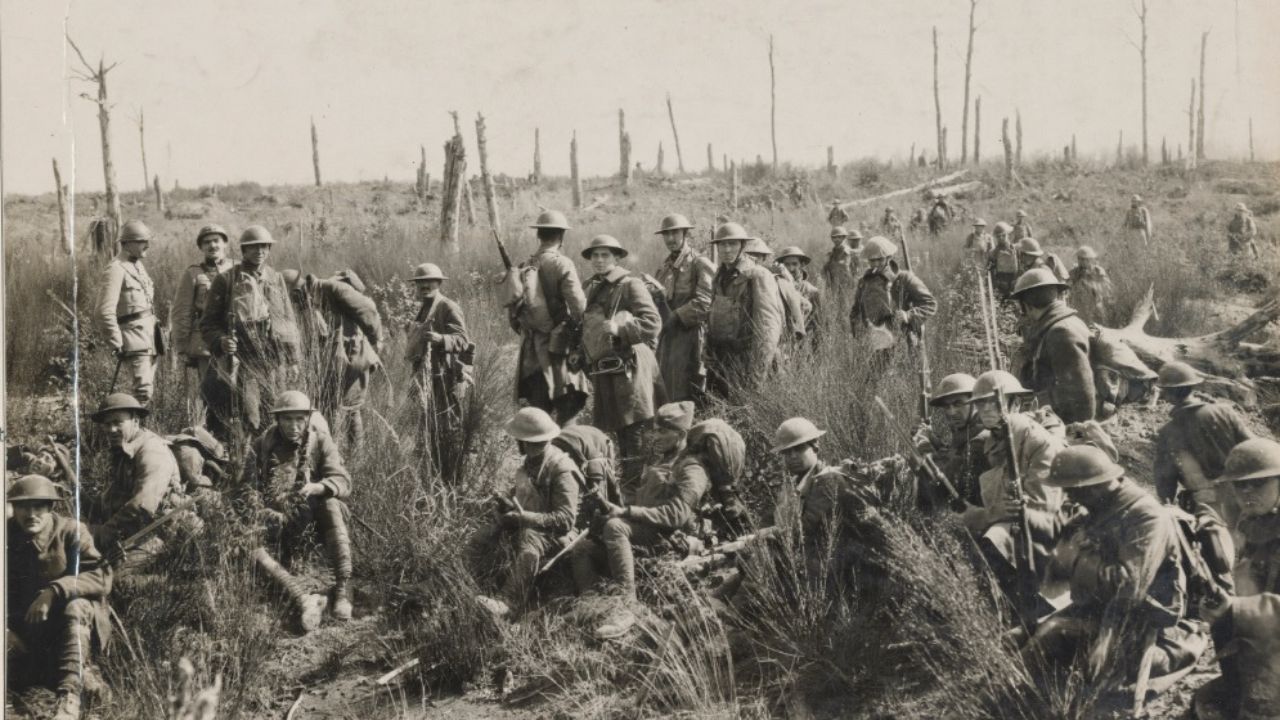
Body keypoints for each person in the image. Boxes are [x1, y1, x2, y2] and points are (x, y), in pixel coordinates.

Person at [1024, 446, 1199, 689]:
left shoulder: (1145, 516)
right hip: (1097, 608)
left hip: (1141, 620)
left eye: (1072, 491)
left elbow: (1128, 586)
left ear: (1094, 487)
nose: (1069, 497)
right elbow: (1058, 551)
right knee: (1018, 636)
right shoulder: (1097, 508)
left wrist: (1075, 559)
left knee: (1050, 637)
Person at [570, 401, 708, 639]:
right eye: (655, 429)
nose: (656, 436)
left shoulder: (691, 469)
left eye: (663, 431)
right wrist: (612, 507)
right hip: (644, 536)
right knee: (583, 548)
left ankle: (627, 607)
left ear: (682, 434)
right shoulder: (656, 463)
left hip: (669, 540)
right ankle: (592, 604)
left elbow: (676, 515)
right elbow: (642, 505)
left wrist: (626, 513)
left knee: (615, 527)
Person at [238, 391, 354, 631]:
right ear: (277, 421)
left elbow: (343, 481)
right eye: (287, 419)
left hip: (314, 517)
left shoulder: (320, 441)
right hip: (276, 517)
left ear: (307, 420)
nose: (294, 426)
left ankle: (343, 585)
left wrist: (319, 487)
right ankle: (301, 596)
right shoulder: (262, 445)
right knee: (247, 541)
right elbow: (248, 487)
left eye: (299, 419)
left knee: (331, 505)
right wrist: (263, 510)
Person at [7, 475, 112, 720]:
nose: (30, 514)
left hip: (72, 622)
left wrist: (54, 591)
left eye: (38, 506)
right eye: (23, 506)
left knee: (75, 607)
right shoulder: (7, 535)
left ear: (50, 508)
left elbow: (101, 576)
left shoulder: (70, 531)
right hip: (26, 627)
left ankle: (70, 697)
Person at [1195, 437, 1280, 720]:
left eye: (1258, 483)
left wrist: (1238, 608)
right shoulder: (1250, 521)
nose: (1246, 492)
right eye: (1239, 484)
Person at [470, 408, 583, 618]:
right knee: (484, 534)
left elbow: (566, 520)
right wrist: (507, 506)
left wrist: (526, 518)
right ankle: (453, 584)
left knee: (530, 538)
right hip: (531, 525)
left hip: (558, 536)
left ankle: (509, 602)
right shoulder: (530, 464)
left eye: (520, 440)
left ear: (527, 442)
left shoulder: (561, 468)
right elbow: (522, 499)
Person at [960, 371, 1065, 591]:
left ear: (1015, 403)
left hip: (1051, 534)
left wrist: (987, 515)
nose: (986, 408)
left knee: (997, 537)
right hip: (1012, 525)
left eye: (994, 402)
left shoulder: (1041, 443)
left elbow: (1041, 509)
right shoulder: (990, 442)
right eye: (980, 403)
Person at [200, 225, 302, 442]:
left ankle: (272, 464)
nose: (260, 251)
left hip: (275, 361)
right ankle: (247, 464)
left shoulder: (275, 278)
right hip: (244, 361)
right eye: (254, 247)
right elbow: (208, 324)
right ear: (244, 250)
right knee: (249, 416)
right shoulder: (226, 280)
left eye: (264, 247)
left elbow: (288, 322)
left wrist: (293, 359)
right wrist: (222, 341)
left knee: (276, 412)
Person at [579, 235, 663, 495]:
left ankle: (633, 490)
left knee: (633, 430)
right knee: (611, 430)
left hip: (630, 369)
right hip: (604, 370)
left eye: (605, 255)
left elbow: (652, 323)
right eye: (595, 255)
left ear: (617, 258)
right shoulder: (590, 287)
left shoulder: (630, 285)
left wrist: (621, 328)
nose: (599, 260)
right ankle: (616, 489)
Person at [88, 393, 186, 590]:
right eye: (107, 425)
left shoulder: (151, 450)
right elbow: (114, 497)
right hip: (133, 530)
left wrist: (107, 530)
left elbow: (143, 505)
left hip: (159, 532)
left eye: (117, 422)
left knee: (113, 582)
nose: (111, 429)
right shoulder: (124, 450)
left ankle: (178, 584)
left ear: (135, 420)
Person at [282, 268, 383, 451]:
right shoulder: (308, 301)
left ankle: (354, 456)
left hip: (354, 357)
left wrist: (377, 340)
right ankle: (331, 451)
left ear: (297, 291)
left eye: (292, 297)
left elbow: (368, 309)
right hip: (332, 361)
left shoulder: (333, 288)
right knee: (330, 406)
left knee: (351, 407)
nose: (293, 302)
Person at [510, 210, 589, 424]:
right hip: (558, 351)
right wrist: (577, 338)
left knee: (539, 418)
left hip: (530, 355)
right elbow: (580, 307)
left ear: (539, 235)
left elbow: (513, 316)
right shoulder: (562, 264)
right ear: (561, 237)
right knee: (568, 413)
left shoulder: (522, 266)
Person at [1152, 361, 1255, 520]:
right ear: (1193, 386)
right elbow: (1253, 447)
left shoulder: (1168, 432)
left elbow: (1165, 479)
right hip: (1241, 495)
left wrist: (1168, 503)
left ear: (1168, 394)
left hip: (1206, 506)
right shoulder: (1224, 411)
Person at [405, 262, 473, 483]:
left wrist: (441, 339)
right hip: (424, 376)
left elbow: (463, 341)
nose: (424, 286)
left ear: (439, 283)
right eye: (420, 283)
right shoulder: (423, 308)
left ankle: (452, 478)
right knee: (426, 426)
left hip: (444, 378)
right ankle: (430, 474)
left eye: (429, 282)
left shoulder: (447, 307)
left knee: (448, 429)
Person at [704, 222, 784, 396]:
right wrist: (707, 350)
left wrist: (756, 375)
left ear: (742, 246)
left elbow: (768, 329)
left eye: (732, 244)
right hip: (721, 362)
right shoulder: (718, 277)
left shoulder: (758, 275)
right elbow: (712, 317)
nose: (726, 249)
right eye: (722, 244)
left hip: (746, 363)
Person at [1011, 268, 1096, 423]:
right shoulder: (1063, 323)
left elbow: (1081, 395)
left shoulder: (1060, 333)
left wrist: (1076, 433)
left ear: (1027, 305)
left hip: (1065, 424)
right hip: (1053, 414)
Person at [171, 224, 234, 425]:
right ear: (201, 247)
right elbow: (182, 311)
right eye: (207, 242)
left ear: (225, 244)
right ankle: (206, 433)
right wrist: (182, 347)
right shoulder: (193, 274)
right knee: (207, 391)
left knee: (235, 389)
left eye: (216, 240)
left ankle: (233, 434)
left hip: (234, 339)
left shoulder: (237, 268)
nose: (212, 245)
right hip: (204, 344)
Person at [647, 214, 714, 403]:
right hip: (668, 339)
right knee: (666, 392)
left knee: (690, 392)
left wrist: (676, 316)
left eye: (674, 233)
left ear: (685, 234)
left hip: (692, 338)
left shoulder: (699, 263)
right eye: (666, 234)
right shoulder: (664, 268)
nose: (670, 239)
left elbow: (706, 301)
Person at [95, 219, 160, 404]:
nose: (147, 245)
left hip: (150, 338)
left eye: (147, 241)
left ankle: (139, 430)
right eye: (141, 241)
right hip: (133, 340)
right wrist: (116, 342)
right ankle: (132, 431)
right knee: (142, 392)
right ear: (126, 244)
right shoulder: (115, 269)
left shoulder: (138, 265)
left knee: (147, 391)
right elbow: (103, 311)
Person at [913, 373, 988, 509]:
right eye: (947, 407)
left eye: (958, 404)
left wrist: (924, 449)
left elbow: (947, 488)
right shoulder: (967, 432)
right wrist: (933, 439)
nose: (952, 412)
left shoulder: (980, 441)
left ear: (976, 403)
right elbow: (953, 452)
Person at [848, 236, 937, 349]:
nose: (875, 264)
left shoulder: (904, 278)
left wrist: (909, 315)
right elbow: (856, 312)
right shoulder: (864, 282)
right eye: (872, 260)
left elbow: (930, 303)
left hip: (905, 342)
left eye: (880, 259)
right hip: (875, 344)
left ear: (888, 258)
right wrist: (861, 335)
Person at [744, 238, 810, 347]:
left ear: (764, 258)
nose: (753, 259)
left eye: (757, 256)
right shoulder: (738, 278)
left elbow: (805, 305)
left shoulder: (776, 280)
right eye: (750, 255)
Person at [776, 246, 821, 341]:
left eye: (794, 264)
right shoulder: (776, 287)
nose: (790, 268)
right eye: (786, 264)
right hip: (781, 338)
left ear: (802, 265)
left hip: (802, 339)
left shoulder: (811, 290)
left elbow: (817, 324)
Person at [1067, 245, 1112, 325]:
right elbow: (1068, 289)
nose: (1081, 262)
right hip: (1079, 308)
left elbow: (1106, 291)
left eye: (1084, 260)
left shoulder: (1098, 273)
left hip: (1095, 308)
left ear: (1091, 260)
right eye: (1079, 259)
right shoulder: (1074, 273)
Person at [824, 227, 860, 310]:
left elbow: (849, 266)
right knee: (834, 301)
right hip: (834, 279)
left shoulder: (847, 251)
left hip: (845, 280)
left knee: (844, 302)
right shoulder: (833, 252)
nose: (836, 239)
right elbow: (828, 267)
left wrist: (852, 279)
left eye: (839, 237)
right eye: (834, 237)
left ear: (844, 238)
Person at [988, 222, 1020, 297]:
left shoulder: (1016, 249)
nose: (1001, 238)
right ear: (996, 237)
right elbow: (991, 271)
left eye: (1003, 235)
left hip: (1015, 281)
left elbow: (1021, 264)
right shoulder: (993, 252)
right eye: (998, 236)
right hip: (1001, 283)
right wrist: (997, 282)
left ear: (1007, 234)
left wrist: (1017, 279)